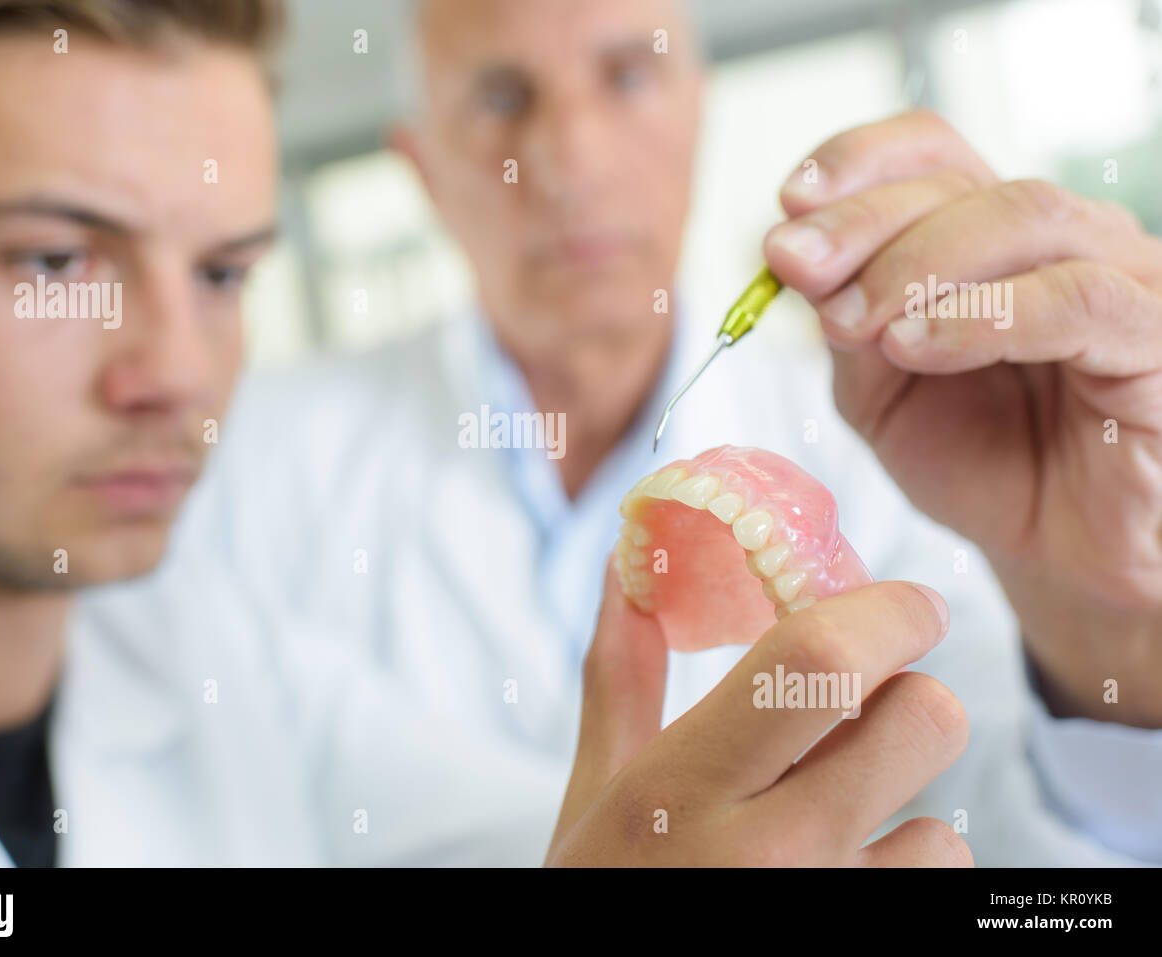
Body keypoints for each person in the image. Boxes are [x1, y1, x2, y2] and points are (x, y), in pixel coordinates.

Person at [0, 0, 971, 868]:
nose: (178, 375)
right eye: (55, 261)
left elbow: (564, 841)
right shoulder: (244, 543)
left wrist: (1111, 612)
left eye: (221, 273)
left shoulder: (213, 661)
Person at [163, 0, 1162, 866]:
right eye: (503, 99)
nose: (572, 161)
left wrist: (1101, 631)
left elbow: (1031, 877)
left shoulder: (916, 437)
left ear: (696, 106)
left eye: (627, 76)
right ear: (422, 170)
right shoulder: (238, 466)